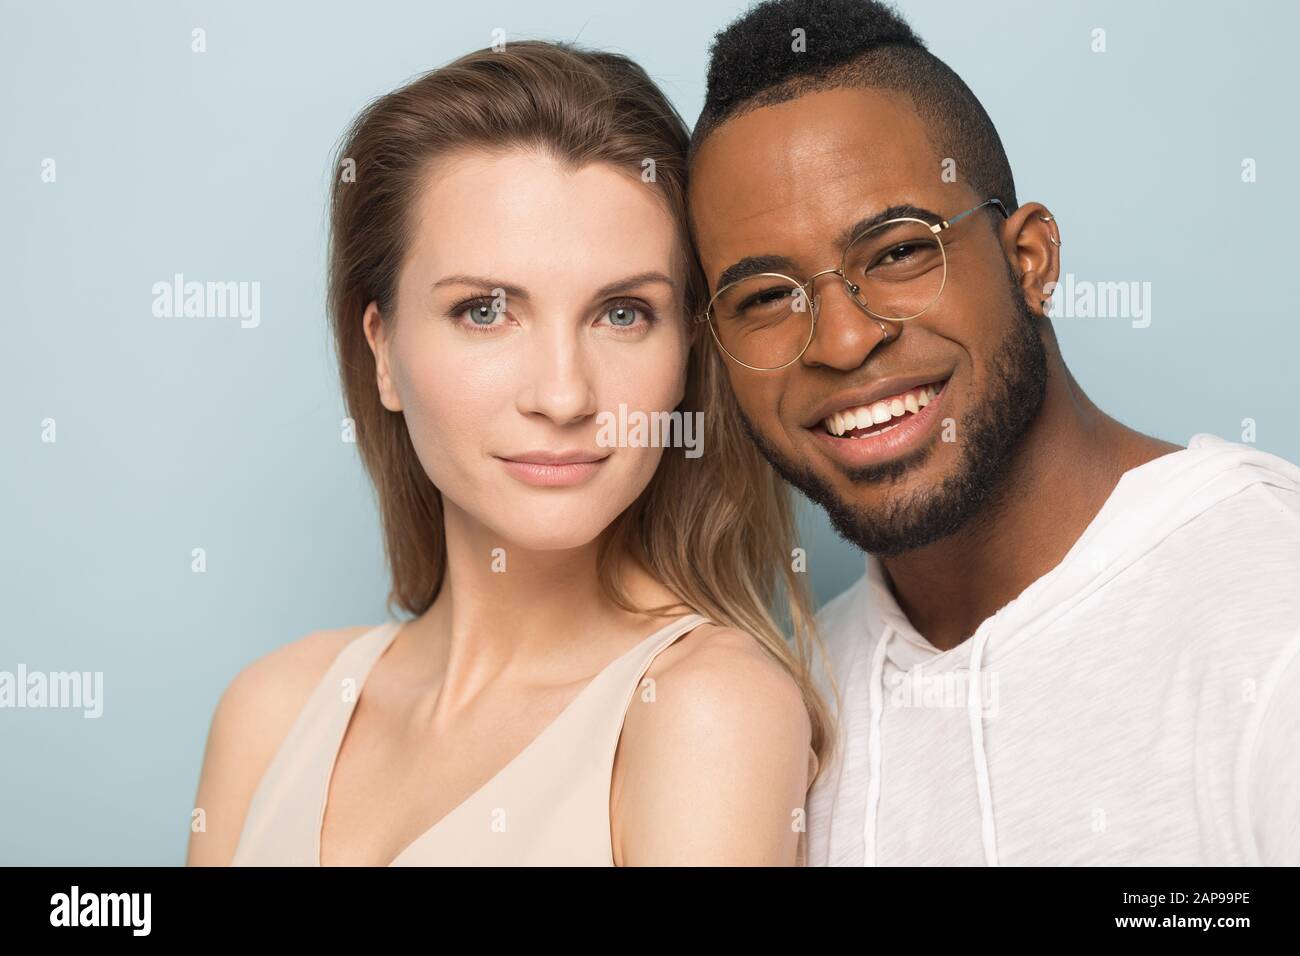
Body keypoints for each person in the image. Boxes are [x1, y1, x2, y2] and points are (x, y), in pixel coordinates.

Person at [187, 40, 830, 867]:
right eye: (485, 312)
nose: (563, 397)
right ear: (380, 348)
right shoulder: (271, 710)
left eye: (624, 313)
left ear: (688, 351)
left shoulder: (708, 709)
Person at [686, 0, 1300, 865]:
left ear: (1031, 261)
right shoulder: (783, 712)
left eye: (899, 252)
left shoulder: (1270, 605)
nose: (843, 340)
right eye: (765, 298)